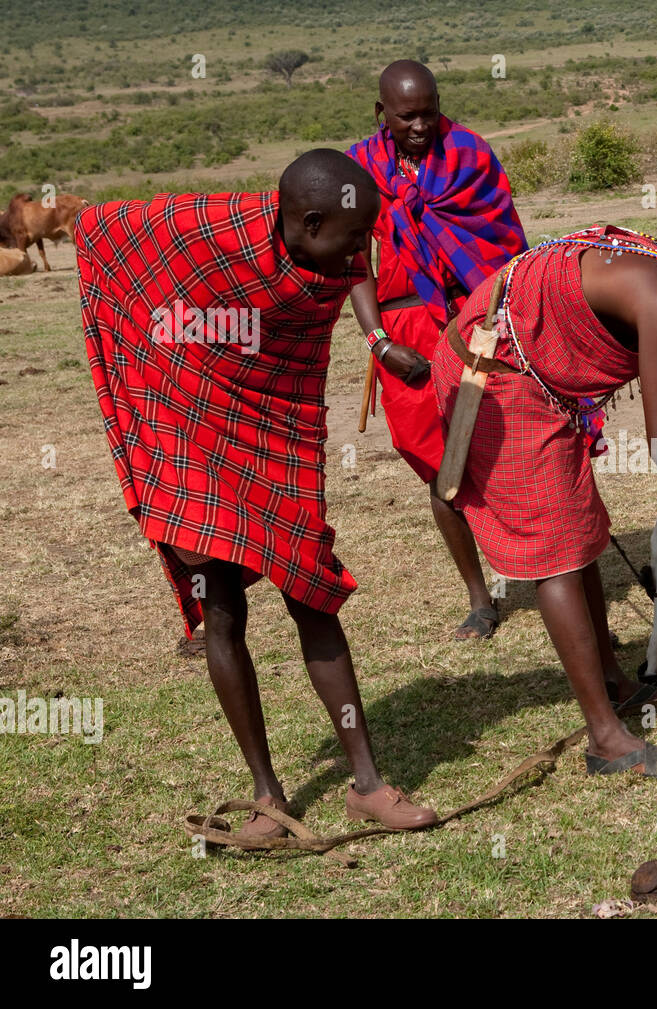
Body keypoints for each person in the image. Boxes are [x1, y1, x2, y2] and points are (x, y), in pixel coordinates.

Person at [76, 150, 438, 833]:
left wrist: (379, 337)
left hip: (276, 423)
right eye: (351, 238)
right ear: (304, 222)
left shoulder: (338, 244)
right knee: (223, 606)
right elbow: (101, 228)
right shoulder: (215, 227)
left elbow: (360, 262)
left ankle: (367, 782)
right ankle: (268, 794)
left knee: (312, 590)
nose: (362, 254)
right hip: (192, 421)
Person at [431, 226, 657, 778]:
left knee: (581, 533)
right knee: (557, 553)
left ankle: (614, 684)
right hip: (493, 375)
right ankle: (605, 738)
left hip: (533, 380)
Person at [348, 59, 528, 640]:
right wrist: (380, 343)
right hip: (403, 336)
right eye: (406, 117)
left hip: (476, 322)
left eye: (429, 112)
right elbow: (355, 266)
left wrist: (495, 324)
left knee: (508, 453)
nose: (421, 126)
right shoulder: (360, 170)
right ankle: (480, 598)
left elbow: (504, 247)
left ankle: (541, 565)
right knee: (438, 467)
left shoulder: (471, 157)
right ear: (382, 114)